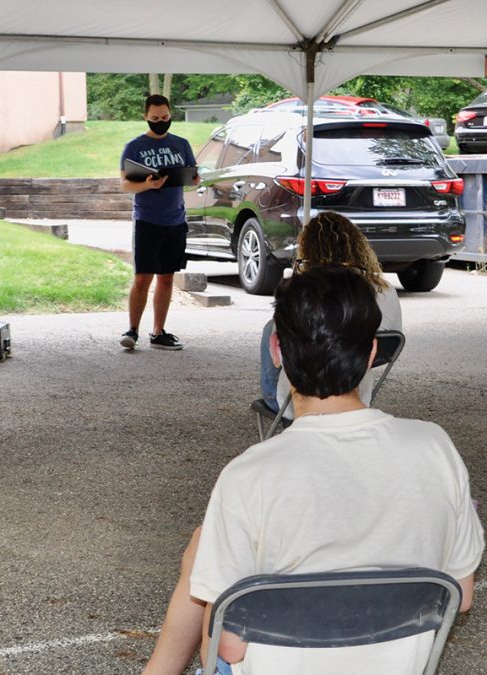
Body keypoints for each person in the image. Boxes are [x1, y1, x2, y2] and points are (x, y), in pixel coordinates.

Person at [142, 266, 483, 675]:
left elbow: (227, 650)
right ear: (372, 354)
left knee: (204, 546)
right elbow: (461, 596)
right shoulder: (433, 446)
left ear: (277, 350)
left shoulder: (249, 474)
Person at [260, 211, 402, 418]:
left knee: (270, 328)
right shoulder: (385, 290)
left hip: (293, 403)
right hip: (359, 393)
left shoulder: (307, 294)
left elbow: (283, 347)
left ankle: (271, 393)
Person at [119, 94, 198, 352]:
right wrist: (147, 184)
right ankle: (132, 330)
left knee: (166, 278)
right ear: (145, 116)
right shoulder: (134, 147)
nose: (161, 121)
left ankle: (158, 332)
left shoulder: (181, 144)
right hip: (147, 220)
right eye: (155, 118)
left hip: (175, 220)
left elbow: (193, 176)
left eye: (165, 117)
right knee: (143, 278)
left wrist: (193, 178)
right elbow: (125, 184)